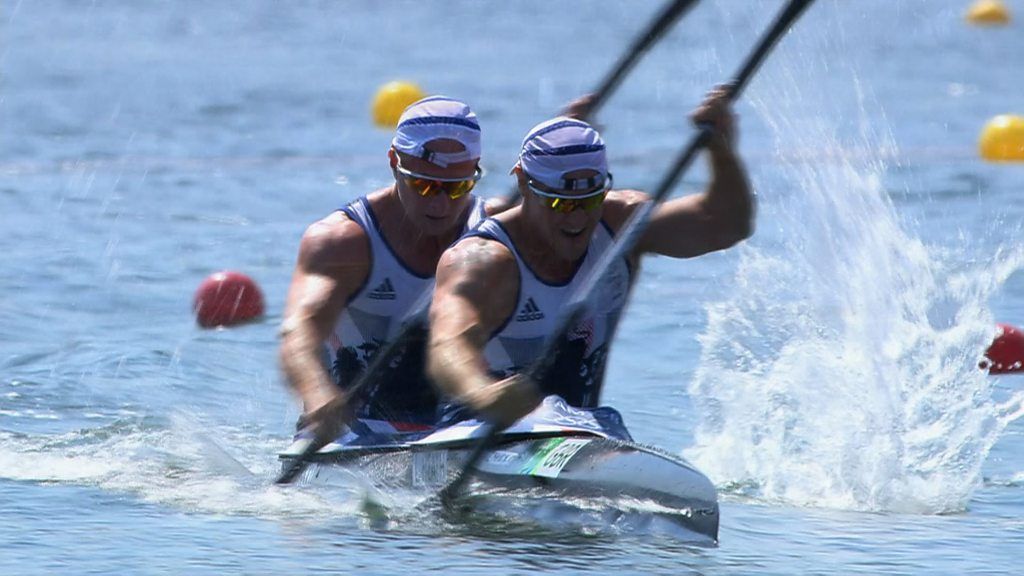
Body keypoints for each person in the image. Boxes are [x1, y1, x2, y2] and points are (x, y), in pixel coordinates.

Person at [426, 86, 753, 427]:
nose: (577, 219)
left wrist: (722, 152)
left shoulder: (620, 224)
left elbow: (725, 225)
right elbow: (447, 346)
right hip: (479, 426)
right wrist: (483, 393)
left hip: (582, 428)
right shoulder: (483, 260)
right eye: (559, 203)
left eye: (590, 200)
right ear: (523, 183)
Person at [279, 95, 500, 442]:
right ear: (394, 162)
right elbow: (298, 334)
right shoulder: (341, 242)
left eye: (458, 187)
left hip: (456, 430)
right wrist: (318, 391)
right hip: (353, 431)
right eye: (425, 185)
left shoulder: (494, 233)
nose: (441, 204)